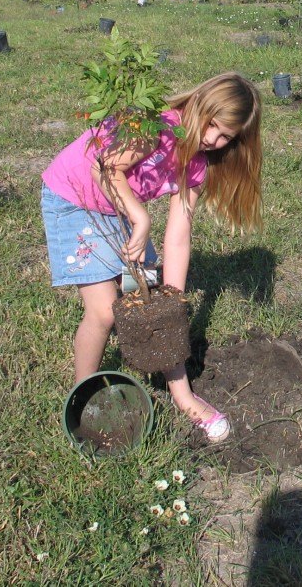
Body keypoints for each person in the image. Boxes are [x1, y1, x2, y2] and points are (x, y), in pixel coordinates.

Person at [41, 72, 263, 443]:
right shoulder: (155, 126)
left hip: (119, 209)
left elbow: (178, 237)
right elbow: (104, 167)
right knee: (103, 311)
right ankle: (86, 398)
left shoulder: (196, 164)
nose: (213, 140)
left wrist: (170, 305)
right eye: (212, 126)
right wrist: (140, 217)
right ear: (199, 105)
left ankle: (182, 395)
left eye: (225, 137)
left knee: (156, 306)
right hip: (76, 200)